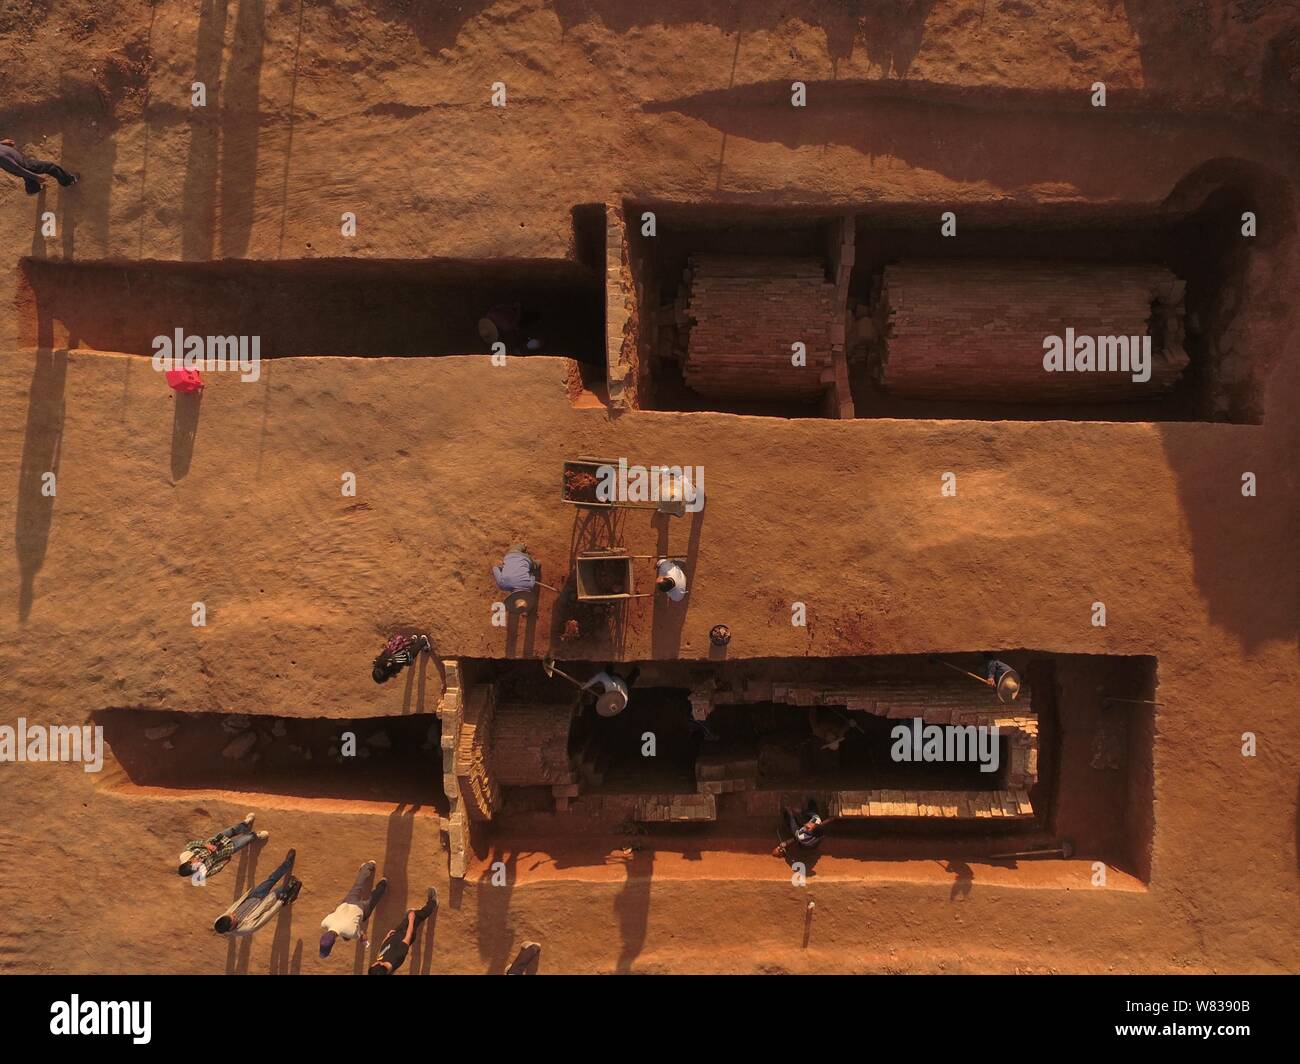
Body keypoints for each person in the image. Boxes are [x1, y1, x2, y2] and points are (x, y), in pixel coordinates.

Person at [214, 849, 301, 936]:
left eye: (230, 915)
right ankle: (290, 893)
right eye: (233, 918)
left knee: (271, 879)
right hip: (263, 903)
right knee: (280, 890)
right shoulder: (247, 928)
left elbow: (224, 918)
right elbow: (266, 917)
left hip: (253, 896)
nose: (233, 914)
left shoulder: (220, 921)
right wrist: (279, 903)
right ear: (231, 927)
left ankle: (287, 862)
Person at [320, 860, 388, 958]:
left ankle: (383, 883)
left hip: (361, 909)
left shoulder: (350, 932)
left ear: (334, 942)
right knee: (357, 886)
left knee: (373, 899)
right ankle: (368, 866)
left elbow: (362, 936)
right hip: (347, 902)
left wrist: (366, 943)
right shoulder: (324, 923)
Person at [368, 888, 437, 974]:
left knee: (406, 919)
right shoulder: (397, 957)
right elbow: (408, 937)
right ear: (380, 965)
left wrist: (387, 937)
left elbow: (380, 952)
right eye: (374, 964)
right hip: (406, 932)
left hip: (397, 932)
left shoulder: (381, 963)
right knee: (419, 916)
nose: (374, 963)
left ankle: (409, 916)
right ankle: (432, 902)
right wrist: (411, 920)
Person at [177, 813, 267, 879]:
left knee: (233, 830)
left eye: (194, 863)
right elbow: (214, 870)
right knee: (243, 842)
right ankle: (256, 835)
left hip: (215, 841)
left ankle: (246, 823)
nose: (198, 864)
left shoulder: (187, 852)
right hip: (223, 853)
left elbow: (193, 843)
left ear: (189, 861)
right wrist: (224, 863)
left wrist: (207, 845)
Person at [0, 138, 79, 195]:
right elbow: (18, 169)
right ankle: (68, 181)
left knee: (28, 178)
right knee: (50, 167)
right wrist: (36, 177)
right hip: (25, 166)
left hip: (22, 163)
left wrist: (2, 143)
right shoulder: (2, 157)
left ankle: (33, 189)